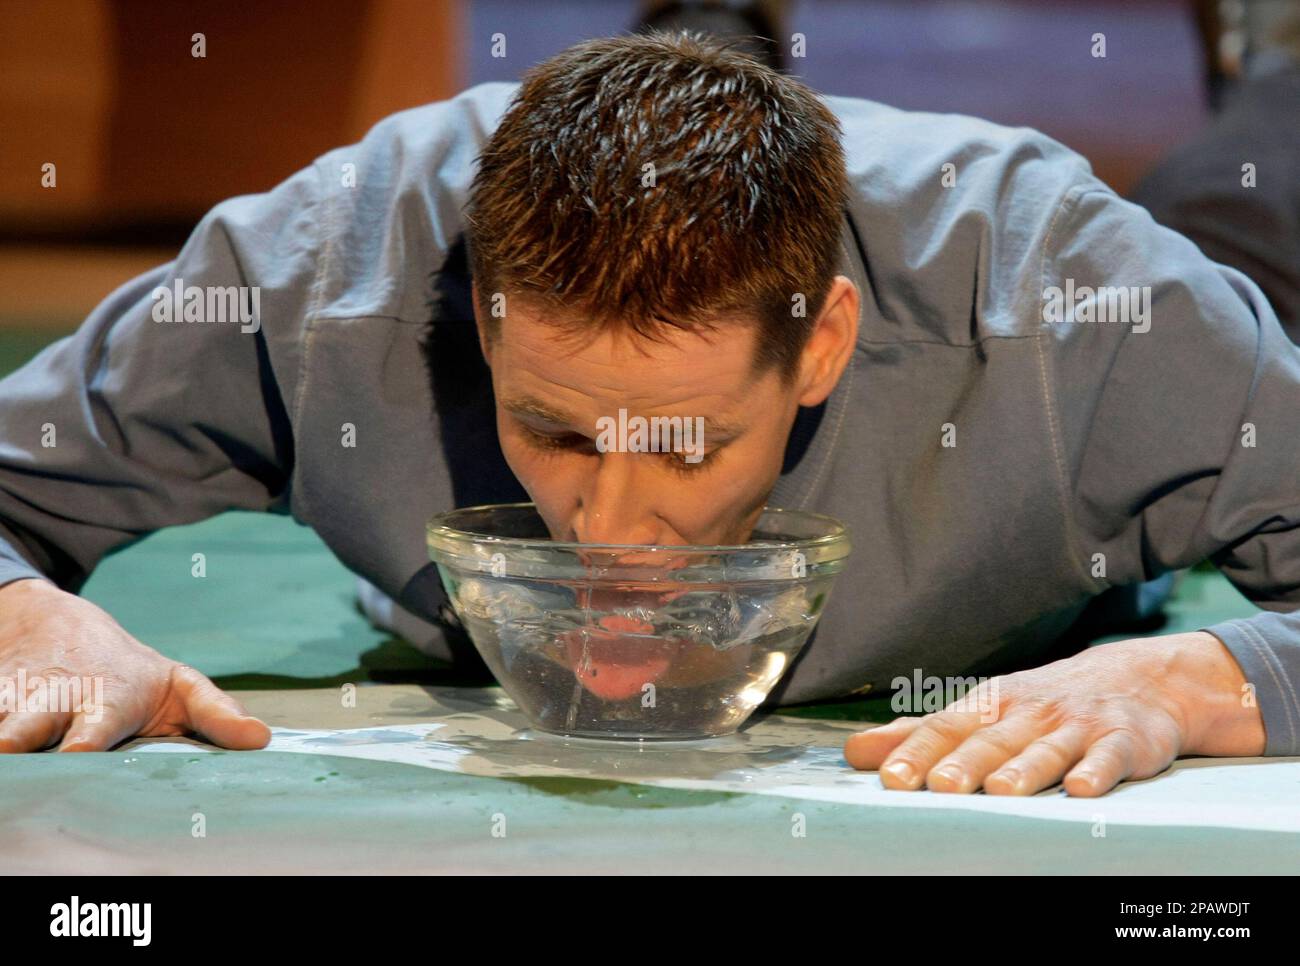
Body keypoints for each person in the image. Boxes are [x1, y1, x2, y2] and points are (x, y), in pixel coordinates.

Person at [0, 33, 1294, 797]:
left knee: (1256, 199)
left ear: (824, 344)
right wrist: (24, 609)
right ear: (481, 323)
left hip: (1215, 245)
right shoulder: (313, 279)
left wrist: (1196, 673)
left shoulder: (1082, 303)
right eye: (556, 430)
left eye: (687, 441)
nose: (611, 531)